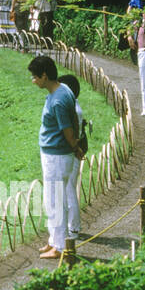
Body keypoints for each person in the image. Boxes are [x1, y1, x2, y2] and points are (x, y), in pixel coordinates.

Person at [28, 55, 80, 259]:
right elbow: (75, 119)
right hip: (55, 155)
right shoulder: (63, 90)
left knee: (55, 202)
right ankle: (54, 240)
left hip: (57, 157)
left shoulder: (58, 100)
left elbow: (67, 129)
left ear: (44, 76)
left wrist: (74, 144)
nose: (33, 80)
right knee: (52, 200)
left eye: (35, 77)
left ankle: (60, 246)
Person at [57, 73, 87, 241]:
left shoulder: (73, 109)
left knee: (69, 192)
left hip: (70, 154)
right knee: (68, 191)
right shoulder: (72, 105)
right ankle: (70, 226)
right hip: (69, 153)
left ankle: (73, 229)